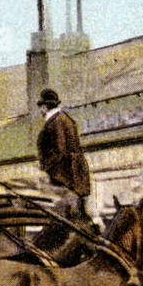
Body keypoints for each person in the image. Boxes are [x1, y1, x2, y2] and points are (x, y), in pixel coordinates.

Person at [36, 88, 92, 217]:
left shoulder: (56, 122)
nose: (41, 111)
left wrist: (46, 166)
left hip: (64, 176)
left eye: (41, 107)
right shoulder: (65, 119)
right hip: (74, 177)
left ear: (45, 107)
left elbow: (60, 150)